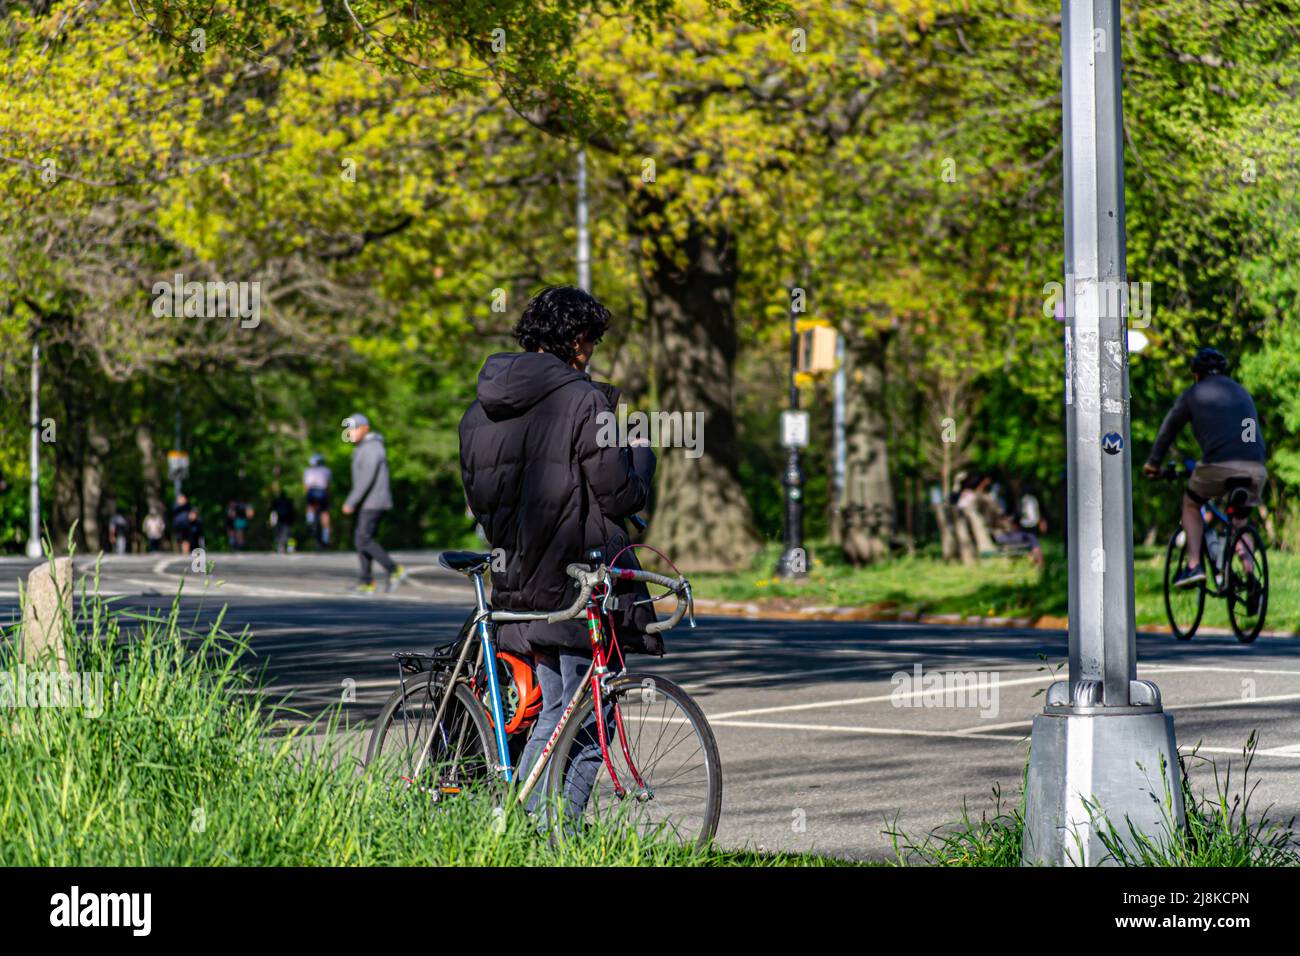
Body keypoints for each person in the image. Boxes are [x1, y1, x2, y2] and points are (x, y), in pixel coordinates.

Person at [459, 286, 657, 821]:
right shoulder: (582, 400)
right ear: (575, 340)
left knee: (555, 707)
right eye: (590, 340)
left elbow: (478, 497)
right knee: (591, 718)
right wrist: (641, 456)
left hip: (517, 581)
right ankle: (552, 837)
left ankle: (516, 828)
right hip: (576, 580)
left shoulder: (480, 409)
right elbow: (618, 493)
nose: (591, 352)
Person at [1142, 347, 1267, 588]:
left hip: (1218, 465)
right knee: (1240, 522)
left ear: (1196, 374)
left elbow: (1169, 430)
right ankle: (1251, 577)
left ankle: (1193, 565)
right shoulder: (1241, 393)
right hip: (1255, 466)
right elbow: (1250, 429)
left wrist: (1154, 464)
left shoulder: (1193, 394)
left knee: (1191, 503)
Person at [341, 414, 405, 594]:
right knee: (362, 539)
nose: (350, 432)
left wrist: (351, 501)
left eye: (354, 428)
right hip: (369, 501)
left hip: (374, 501)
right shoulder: (364, 447)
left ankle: (394, 569)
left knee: (363, 539)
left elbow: (366, 478)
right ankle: (366, 581)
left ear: (365, 428)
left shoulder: (372, 447)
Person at [302, 453, 332, 547]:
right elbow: (328, 486)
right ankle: (326, 536)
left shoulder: (308, 471)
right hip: (322, 493)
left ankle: (310, 519)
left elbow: (306, 487)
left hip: (312, 492)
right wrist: (328, 498)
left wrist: (306, 497)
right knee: (325, 513)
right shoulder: (327, 471)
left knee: (310, 506)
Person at [269, 486, 295, 554]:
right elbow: (292, 512)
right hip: (286, 521)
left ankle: (282, 547)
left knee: (280, 534)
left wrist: (271, 521)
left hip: (280, 520)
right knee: (288, 535)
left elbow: (272, 511)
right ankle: (289, 548)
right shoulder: (288, 501)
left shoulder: (276, 501)